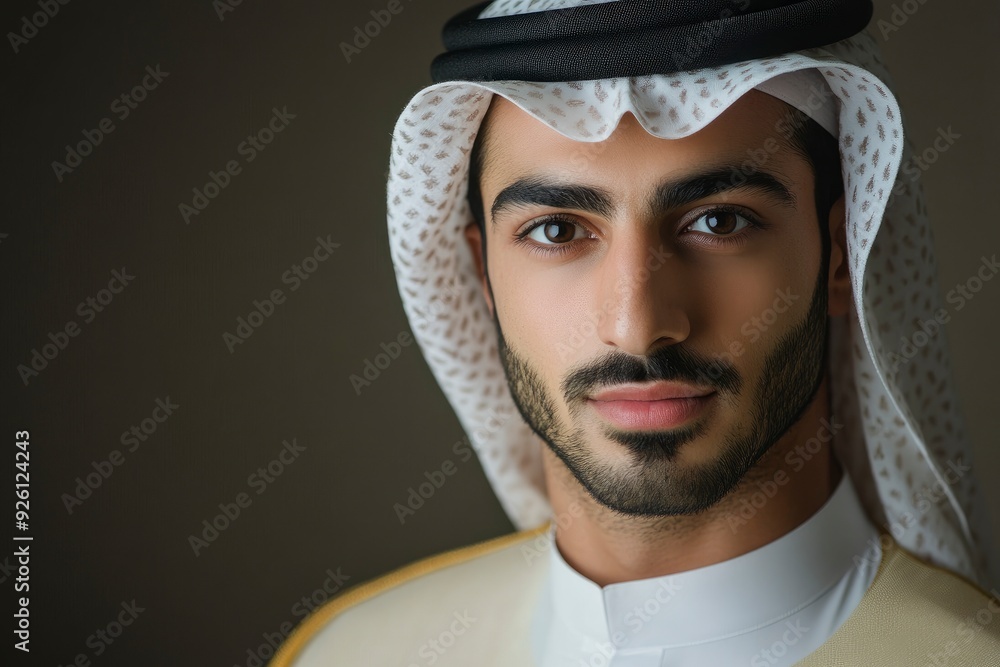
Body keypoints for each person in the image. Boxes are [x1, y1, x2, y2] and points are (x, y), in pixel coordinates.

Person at [272, 1, 1000, 664]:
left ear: (842, 255)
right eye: (557, 230)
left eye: (719, 221)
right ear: (481, 273)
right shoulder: (349, 652)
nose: (639, 326)